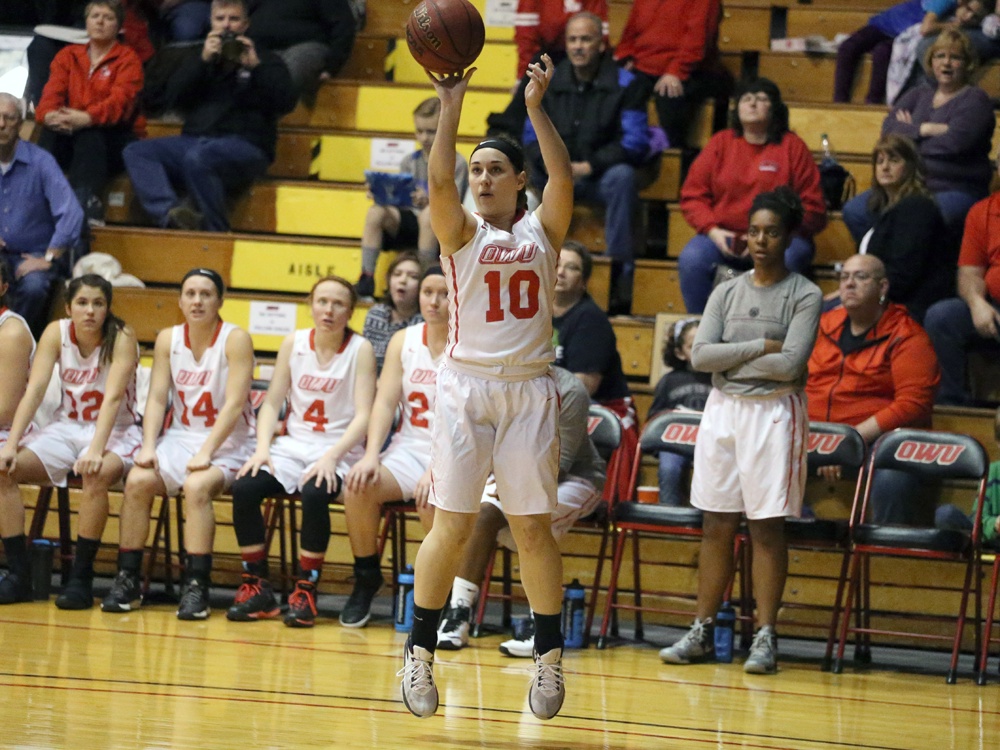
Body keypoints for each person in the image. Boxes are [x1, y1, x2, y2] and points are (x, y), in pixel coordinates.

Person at [398, 54, 574, 721]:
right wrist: (451, 104)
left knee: (532, 529)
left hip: (529, 388)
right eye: (478, 170)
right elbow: (439, 176)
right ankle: (419, 653)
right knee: (453, 521)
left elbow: (562, 173)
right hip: (467, 388)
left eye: (496, 168)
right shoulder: (459, 233)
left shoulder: (543, 232)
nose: (483, 177)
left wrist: (534, 106)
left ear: (519, 180)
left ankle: (549, 660)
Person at [659, 186, 822, 675]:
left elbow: (792, 364)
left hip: (774, 415)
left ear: (788, 237)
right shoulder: (725, 290)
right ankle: (703, 628)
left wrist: (734, 360)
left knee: (766, 527)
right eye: (754, 231)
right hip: (723, 411)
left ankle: (766, 635)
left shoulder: (805, 294)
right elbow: (700, 355)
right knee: (716, 524)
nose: (760, 240)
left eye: (772, 232)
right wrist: (760, 347)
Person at [100, 268, 255, 619]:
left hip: (231, 441)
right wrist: (149, 445)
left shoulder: (235, 339)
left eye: (206, 294)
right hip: (181, 436)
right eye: (190, 294)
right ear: (180, 300)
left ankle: (196, 585)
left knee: (197, 486)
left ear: (219, 300)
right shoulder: (169, 338)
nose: (197, 301)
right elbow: (156, 399)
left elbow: (234, 405)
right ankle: (128, 579)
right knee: (138, 480)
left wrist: (206, 452)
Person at [227, 276, 375, 626]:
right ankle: (256, 584)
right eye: (322, 301)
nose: (329, 309)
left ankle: (306, 588)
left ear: (350, 311)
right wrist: (262, 448)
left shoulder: (360, 349)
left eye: (338, 303)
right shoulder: (293, 343)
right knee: (244, 486)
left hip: (340, 449)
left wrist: (332, 457)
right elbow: (272, 402)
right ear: (311, 305)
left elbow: (365, 415)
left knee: (315, 492)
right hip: (293, 446)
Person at [435, 365, 605, 654]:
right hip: (514, 474)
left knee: (536, 525)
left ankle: (539, 624)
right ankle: (458, 615)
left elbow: (561, 462)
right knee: (485, 514)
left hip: (575, 478)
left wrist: (514, 485)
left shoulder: (570, 390)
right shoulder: (499, 381)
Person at [0, 274, 140, 607]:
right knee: (4, 468)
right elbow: (34, 391)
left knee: (95, 473)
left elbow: (113, 397)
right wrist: (11, 443)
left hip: (116, 429)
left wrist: (95, 449)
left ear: (107, 309)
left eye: (98, 303)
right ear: (68, 308)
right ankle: (18, 574)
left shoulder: (121, 336)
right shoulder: (55, 332)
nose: (90, 311)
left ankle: (81, 577)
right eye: (82, 302)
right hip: (66, 426)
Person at [122, 0, 297, 232]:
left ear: (245, 25)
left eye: (233, 19)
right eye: (220, 19)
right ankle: (170, 216)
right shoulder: (199, 57)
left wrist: (257, 68)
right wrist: (201, 62)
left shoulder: (266, 59)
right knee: (137, 151)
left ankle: (216, 231)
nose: (227, 26)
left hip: (246, 144)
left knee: (199, 157)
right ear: (211, 22)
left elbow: (286, 103)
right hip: (196, 139)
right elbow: (171, 100)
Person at [340, 267, 449, 628]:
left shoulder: (468, 344)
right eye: (428, 293)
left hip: (456, 454)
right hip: (409, 446)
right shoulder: (404, 339)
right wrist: (371, 455)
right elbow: (385, 403)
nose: (434, 301)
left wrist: (437, 470)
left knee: (434, 500)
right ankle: (367, 576)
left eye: (444, 293)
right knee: (357, 486)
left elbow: (471, 420)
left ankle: (438, 599)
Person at [523, 12, 652, 313]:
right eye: (573, 40)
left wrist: (589, 166)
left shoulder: (626, 83)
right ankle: (524, 267)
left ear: (601, 44)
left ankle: (618, 272)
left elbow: (635, 142)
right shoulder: (548, 81)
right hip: (554, 179)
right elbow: (530, 137)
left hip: (598, 177)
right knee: (518, 177)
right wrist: (557, 170)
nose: (579, 46)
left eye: (586, 39)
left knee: (623, 177)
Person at [807, 254, 941, 524]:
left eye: (860, 277)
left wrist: (846, 442)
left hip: (876, 445)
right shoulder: (822, 326)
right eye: (844, 277)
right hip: (815, 438)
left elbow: (913, 403)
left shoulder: (907, 336)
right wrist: (821, 440)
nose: (849, 284)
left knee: (895, 478)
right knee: (758, 453)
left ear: (882, 287)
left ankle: (887, 559)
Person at [678, 78, 826, 315]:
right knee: (692, 259)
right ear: (737, 110)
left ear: (775, 108)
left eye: (762, 99)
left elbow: (813, 208)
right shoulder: (720, 143)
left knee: (791, 257)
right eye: (746, 99)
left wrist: (770, 235)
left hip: (781, 239)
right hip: (725, 237)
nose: (753, 104)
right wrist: (713, 231)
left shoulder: (793, 147)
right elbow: (693, 197)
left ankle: (771, 332)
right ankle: (701, 332)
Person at [841, 29, 995, 243]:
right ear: (931, 62)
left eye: (955, 57)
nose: (946, 63)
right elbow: (888, 131)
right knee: (855, 211)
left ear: (968, 63)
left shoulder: (975, 101)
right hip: (904, 186)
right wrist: (926, 129)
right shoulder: (918, 94)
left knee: (915, 215)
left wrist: (908, 133)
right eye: (940, 56)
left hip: (952, 188)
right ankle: (881, 264)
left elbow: (954, 144)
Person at [35, 0, 145, 226]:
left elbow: (120, 103)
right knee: (49, 132)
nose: (100, 21)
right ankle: (33, 201)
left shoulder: (128, 59)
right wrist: (49, 115)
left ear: (118, 26)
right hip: (73, 128)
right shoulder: (68, 55)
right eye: (95, 16)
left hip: (116, 137)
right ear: (86, 22)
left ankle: (85, 207)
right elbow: (51, 93)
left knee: (89, 136)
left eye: (108, 17)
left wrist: (85, 118)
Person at [354, 99, 469, 298]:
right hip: (409, 219)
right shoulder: (409, 161)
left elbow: (455, 203)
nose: (424, 137)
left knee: (427, 215)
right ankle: (366, 276)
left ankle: (424, 278)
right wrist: (382, 195)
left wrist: (430, 200)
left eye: (431, 131)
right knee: (375, 212)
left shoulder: (457, 163)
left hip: (439, 224)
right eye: (419, 131)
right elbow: (401, 199)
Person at [552, 240, 638, 494]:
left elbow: (582, 388)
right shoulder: (535, 312)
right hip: (553, 402)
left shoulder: (590, 319)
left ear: (584, 280)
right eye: (557, 264)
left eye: (572, 268)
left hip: (604, 408)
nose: (560, 272)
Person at [0, 93, 84, 339]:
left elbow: (72, 212)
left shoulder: (41, 161)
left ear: (21, 123)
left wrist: (49, 257)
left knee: (35, 286)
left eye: (9, 118)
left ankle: (15, 344)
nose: (1, 125)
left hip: (32, 256)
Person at [850, 134, 951, 322]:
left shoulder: (917, 208)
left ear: (910, 166)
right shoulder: (881, 210)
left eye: (893, 160)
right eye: (880, 161)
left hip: (906, 307)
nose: (885, 167)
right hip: (878, 299)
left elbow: (903, 275)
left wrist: (857, 295)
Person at [923, 162, 1000, 406]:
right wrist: (977, 303)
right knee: (942, 316)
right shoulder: (984, 211)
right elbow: (969, 274)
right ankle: (953, 405)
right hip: (995, 310)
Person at [614, 0, 731, 151]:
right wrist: (626, 56)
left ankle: (674, 161)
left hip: (691, 70)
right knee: (614, 86)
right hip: (644, 65)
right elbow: (630, 32)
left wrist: (675, 71)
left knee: (670, 94)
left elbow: (698, 40)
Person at [485, 0, 609, 141]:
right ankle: (504, 142)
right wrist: (522, 76)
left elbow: (599, 36)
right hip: (549, 58)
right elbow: (527, 38)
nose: (578, 44)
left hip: (588, 61)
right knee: (537, 74)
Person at [834, 0, 966, 104]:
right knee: (848, 48)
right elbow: (926, 27)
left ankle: (873, 105)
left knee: (882, 53)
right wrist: (953, 26)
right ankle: (839, 103)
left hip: (899, 35)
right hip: (885, 25)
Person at [0, 260, 36, 603]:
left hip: (19, 428)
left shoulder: (10, 330)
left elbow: (6, 409)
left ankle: (18, 572)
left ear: (3, 287)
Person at [648, 317, 712, 506]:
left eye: (707, 344)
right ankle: (669, 510)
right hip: (675, 444)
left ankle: (710, 516)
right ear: (680, 352)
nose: (702, 351)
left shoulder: (722, 380)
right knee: (669, 467)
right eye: (693, 346)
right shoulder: (669, 381)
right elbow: (654, 420)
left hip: (711, 445)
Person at [247, 0, 356, 102]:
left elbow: (343, 25)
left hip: (306, 47)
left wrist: (332, 67)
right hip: (261, 48)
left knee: (284, 75)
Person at [935, 405, 1000, 537]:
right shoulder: (993, 471)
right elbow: (978, 520)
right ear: (998, 442)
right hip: (991, 541)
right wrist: (994, 524)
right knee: (946, 514)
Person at [360, 252, 423, 374]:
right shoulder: (376, 314)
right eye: (397, 274)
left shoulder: (423, 322)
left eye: (413, 276)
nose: (403, 280)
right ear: (389, 280)